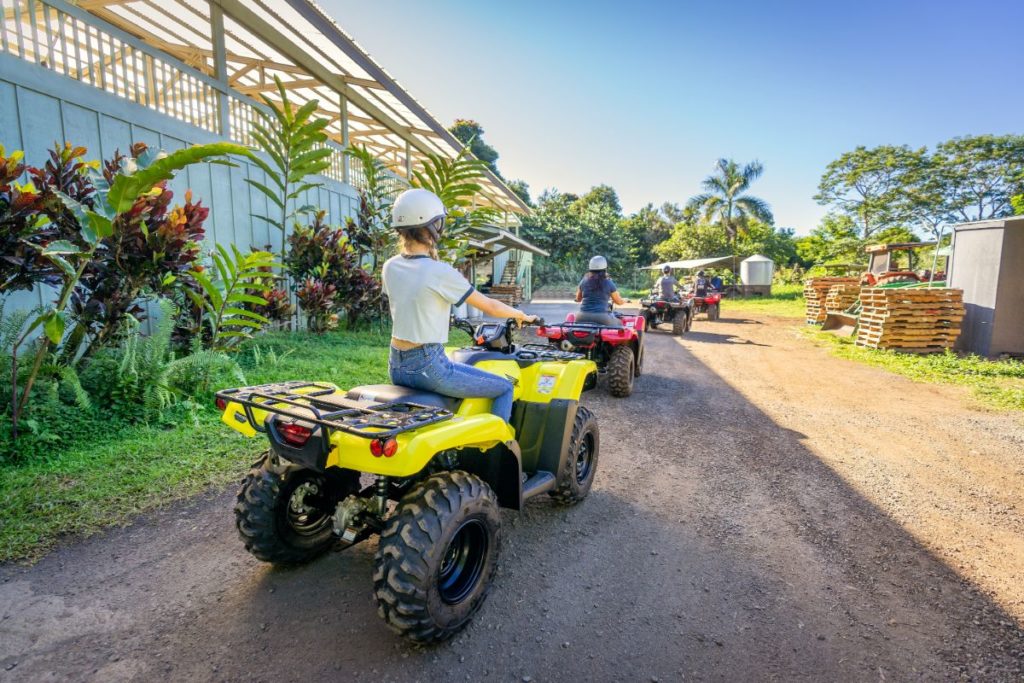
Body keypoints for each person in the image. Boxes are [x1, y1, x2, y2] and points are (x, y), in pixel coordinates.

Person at [382, 188, 536, 422]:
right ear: (432, 227)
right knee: (504, 387)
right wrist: (520, 314)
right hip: (429, 366)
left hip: (397, 366)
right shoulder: (439, 271)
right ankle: (497, 450)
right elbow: (490, 307)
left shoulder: (390, 266)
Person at [574, 255, 628, 326]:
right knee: (620, 323)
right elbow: (619, 302)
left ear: (590, 268)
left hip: (581, 317)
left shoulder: (584, 281)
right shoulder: (608, 282)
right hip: (602, 318)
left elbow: (578, 299)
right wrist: (625, 300)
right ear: (605, 269)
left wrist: (577, 298)